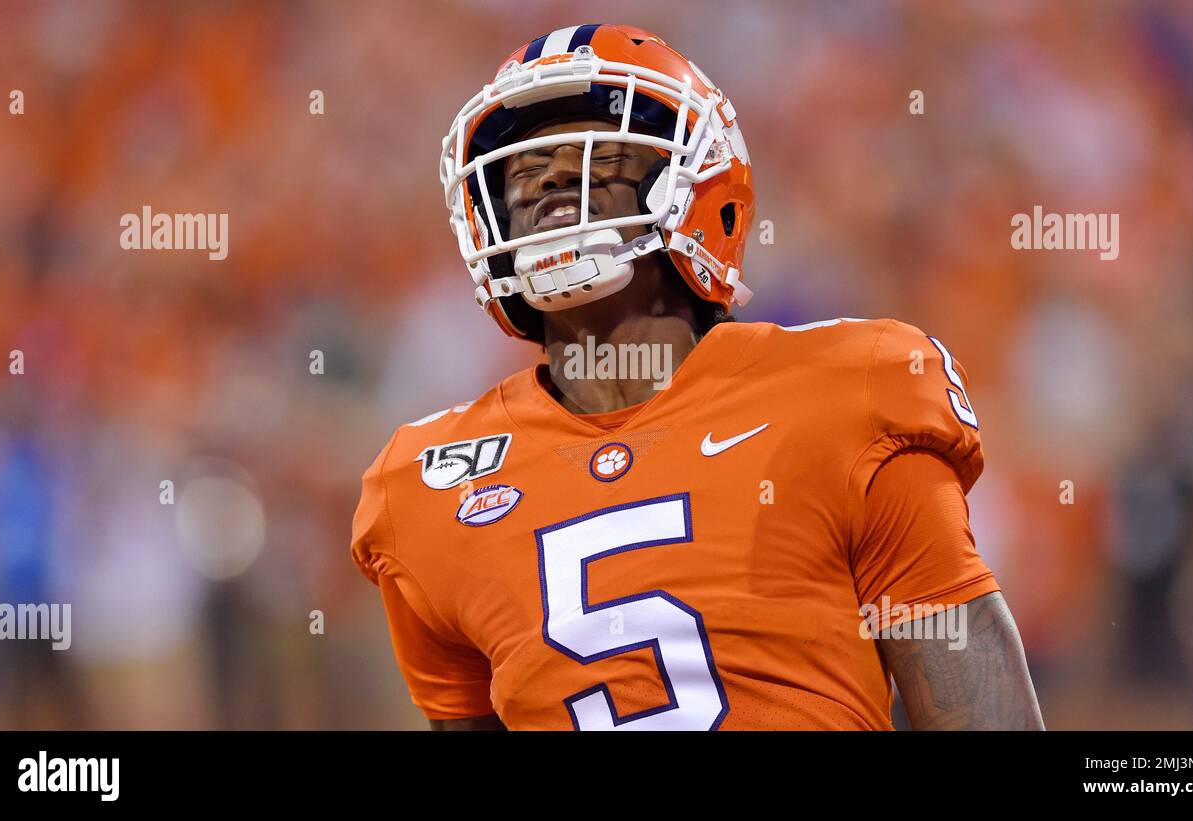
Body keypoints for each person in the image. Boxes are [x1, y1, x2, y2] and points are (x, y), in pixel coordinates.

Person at [351, 23, 1043, 730]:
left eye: (600, 149)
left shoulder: (847, 393)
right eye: (523, 168)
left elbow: (978, 712)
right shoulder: (429, 486)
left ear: (699, 185)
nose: (553, 176)